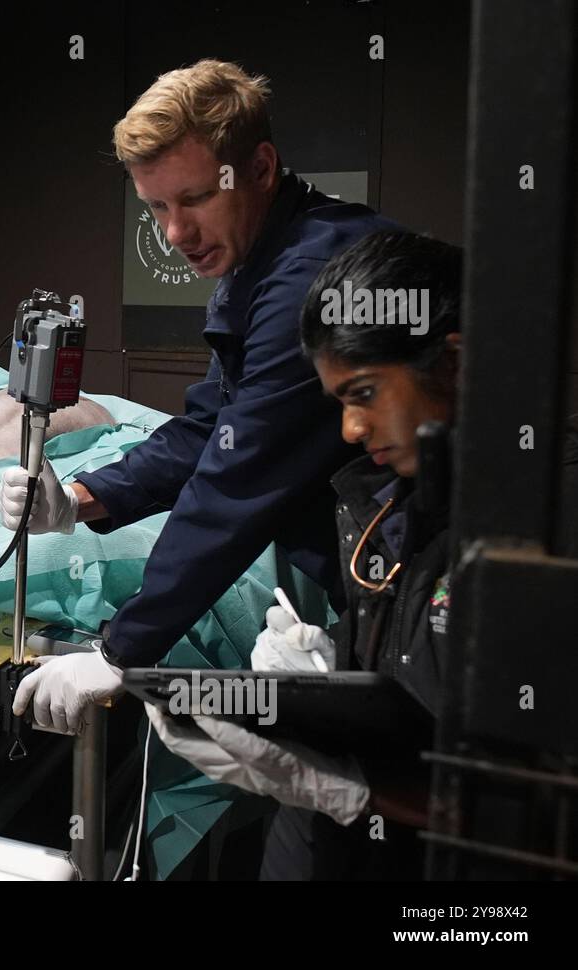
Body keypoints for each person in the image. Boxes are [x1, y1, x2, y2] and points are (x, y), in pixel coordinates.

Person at [144, 230, 558, 878]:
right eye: (337, 402)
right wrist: (324, 669)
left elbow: (535, 814)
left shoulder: (546, 534)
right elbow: (414, 665)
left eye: (363, 393)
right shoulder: (390, 508)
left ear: (454, 364)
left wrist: (357, 791)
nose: (350, 430)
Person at [5, 58, 397, 735]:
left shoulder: (312, 275)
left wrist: (120, 649)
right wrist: (77, 500)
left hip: (422, 583)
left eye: (193, 200)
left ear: (261, 167)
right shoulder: (258, 261)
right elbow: (210, 428)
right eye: (156, 206)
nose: (175, 233)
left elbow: (233, 479)